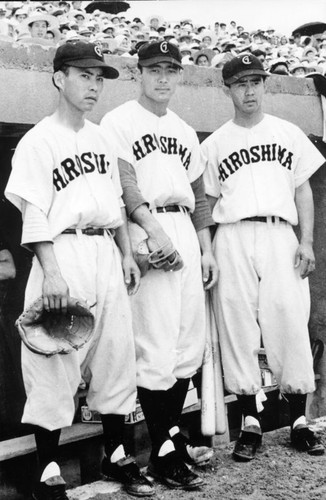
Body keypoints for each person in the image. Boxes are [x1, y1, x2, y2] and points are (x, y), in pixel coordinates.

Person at [5, 41, 154, 500]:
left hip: (106, 250)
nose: (94, 85)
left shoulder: (102, 139)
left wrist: (127, 253)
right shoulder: (37, 140)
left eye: (99, 77)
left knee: (114, 357)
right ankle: (48, 468)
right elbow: (33, 214)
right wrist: (50, 272)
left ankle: (116, 454)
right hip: (62, 252)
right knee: (54, 361)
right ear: (59, 78)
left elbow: (115, 205)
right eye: (84, 75)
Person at [100, 41, 218, 491]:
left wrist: (205, 249)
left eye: (170, 69)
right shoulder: (119, 121)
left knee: (186, 345)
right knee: (154, 344)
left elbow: (200, 196)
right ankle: (164, 453)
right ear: (139, 74)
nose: (163, 78)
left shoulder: (186, 129)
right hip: (147, 227)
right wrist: (153, 233)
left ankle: (170, 445)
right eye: (154, 70)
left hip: (184, 226)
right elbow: (126, 186)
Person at [201, 53, 325, 463]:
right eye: (241, 83)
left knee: (289, 317)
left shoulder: (288, 132)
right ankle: (251, 425)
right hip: (233, 234)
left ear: (264, 85)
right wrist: (208, 250)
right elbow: (208, 203)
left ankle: (298, 422)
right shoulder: (215, 142)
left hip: (278, 233)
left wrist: (306, 241)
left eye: (255, 81)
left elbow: (303, 191)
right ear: (227, 89)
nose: (249, 90)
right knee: (237, 324)